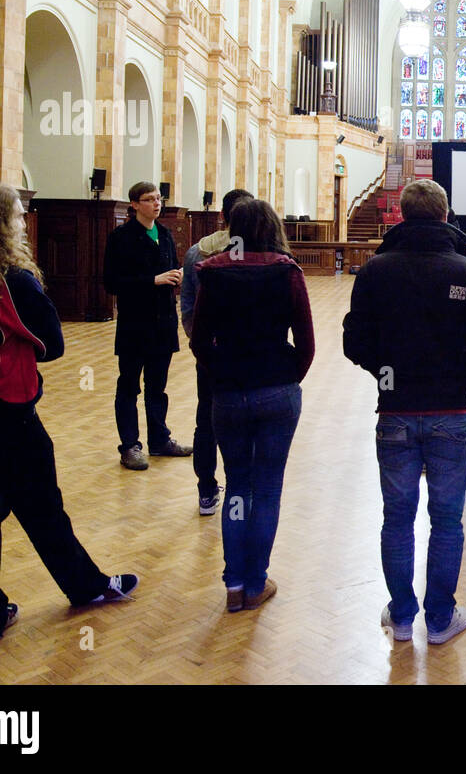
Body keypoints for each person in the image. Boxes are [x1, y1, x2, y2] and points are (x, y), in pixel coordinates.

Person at [0, 183, 137, 646]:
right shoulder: (10, 280)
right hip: (7, 416)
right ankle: (87, 587)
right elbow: (52, 344)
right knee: (44, 511)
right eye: (17, 215)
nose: (23, 223)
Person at [343, 180, 466, 645]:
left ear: (402, 217)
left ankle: (403, 617)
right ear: (446, 213)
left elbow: (355, 343)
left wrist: (385, 374)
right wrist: (463, 381)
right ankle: (440, 619)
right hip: (452, 410)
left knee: (397, 517)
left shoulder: (376, 270)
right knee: (447, 519)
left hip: (395, 410)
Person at [190, 200, 313, 612]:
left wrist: (220, 371)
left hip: (228, 394)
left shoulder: (214, 272)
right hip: (276, 389)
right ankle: (257, 581)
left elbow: (198, 339)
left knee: (237, 486)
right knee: (268, 488)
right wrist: (288, 375)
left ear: (232, 227)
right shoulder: (287, 271)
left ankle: (235, 583)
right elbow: (307, 343)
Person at [103, 181, 192, 471]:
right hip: (134, 324)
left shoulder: (165, 234)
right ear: (134, 204)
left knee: (158, 386)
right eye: (149, 199)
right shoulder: (121, 238)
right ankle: (129, 445)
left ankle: (159, 439)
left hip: (163, 323)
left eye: (158, 198)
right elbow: (111, 282)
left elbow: (174, 267)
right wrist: (152, 280)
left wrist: (177, 275)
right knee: (129, 386)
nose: (157, 204)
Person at [181, 188, 254, 516]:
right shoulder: (264, 253)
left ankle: (206, 489)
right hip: (250, 356)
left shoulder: (197, 252)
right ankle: (241, 490)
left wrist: (200, 346)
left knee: (206, 418)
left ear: (223, 216)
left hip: (209, 353)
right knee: (247, 420)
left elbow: (186, 307)